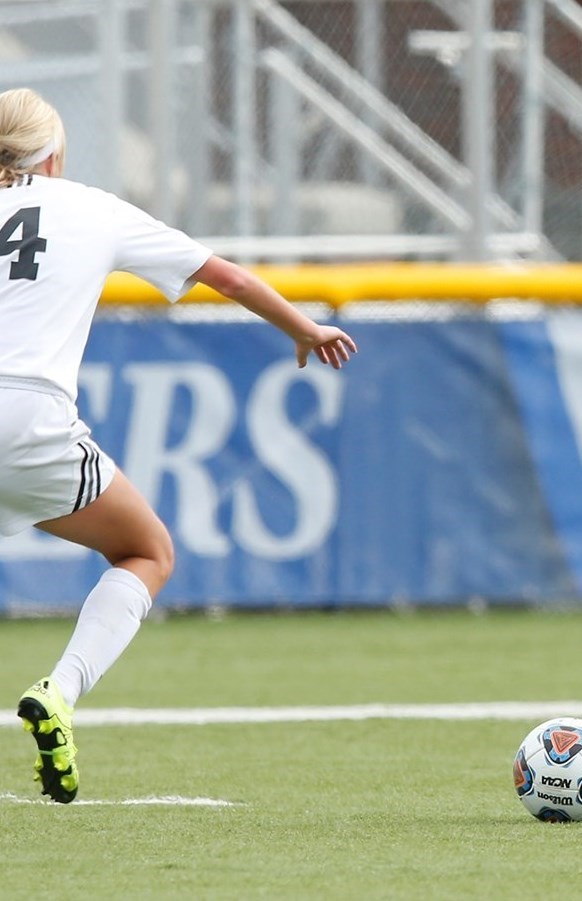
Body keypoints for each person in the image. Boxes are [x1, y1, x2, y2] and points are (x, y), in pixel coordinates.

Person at [0, 87, 358, 803]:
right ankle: (60, 691)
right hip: (29, 415)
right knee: (147, 551)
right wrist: (303, 328)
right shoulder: (94, 207)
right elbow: (225, 275)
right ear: (55, 154)